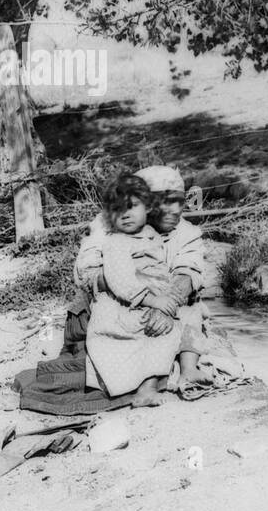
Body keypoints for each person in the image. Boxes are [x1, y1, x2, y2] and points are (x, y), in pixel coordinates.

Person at [72, 164, 211, 387]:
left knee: (193, 309)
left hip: (164, 306)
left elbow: (188, 273)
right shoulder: (108, 224)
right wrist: (139, 288)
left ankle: (186, 369)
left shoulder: (187, 232)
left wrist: (166, 306)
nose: (175, 210)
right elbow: (86, 273)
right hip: (120, 303)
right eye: (166, 201)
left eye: (179, 201)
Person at [84, 173, 184, 405]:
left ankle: (147, 387)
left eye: (132, 206)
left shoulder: (151, 235)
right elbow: (120, 280)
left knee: (169, 332)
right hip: (122, 306)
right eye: (117, 209)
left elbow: (162, 269)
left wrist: (165, 294)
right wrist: (153, 300)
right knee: (135, 340)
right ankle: (136, 387)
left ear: (148, 207)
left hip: (146, 302)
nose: (125, 214)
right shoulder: (116, 242)